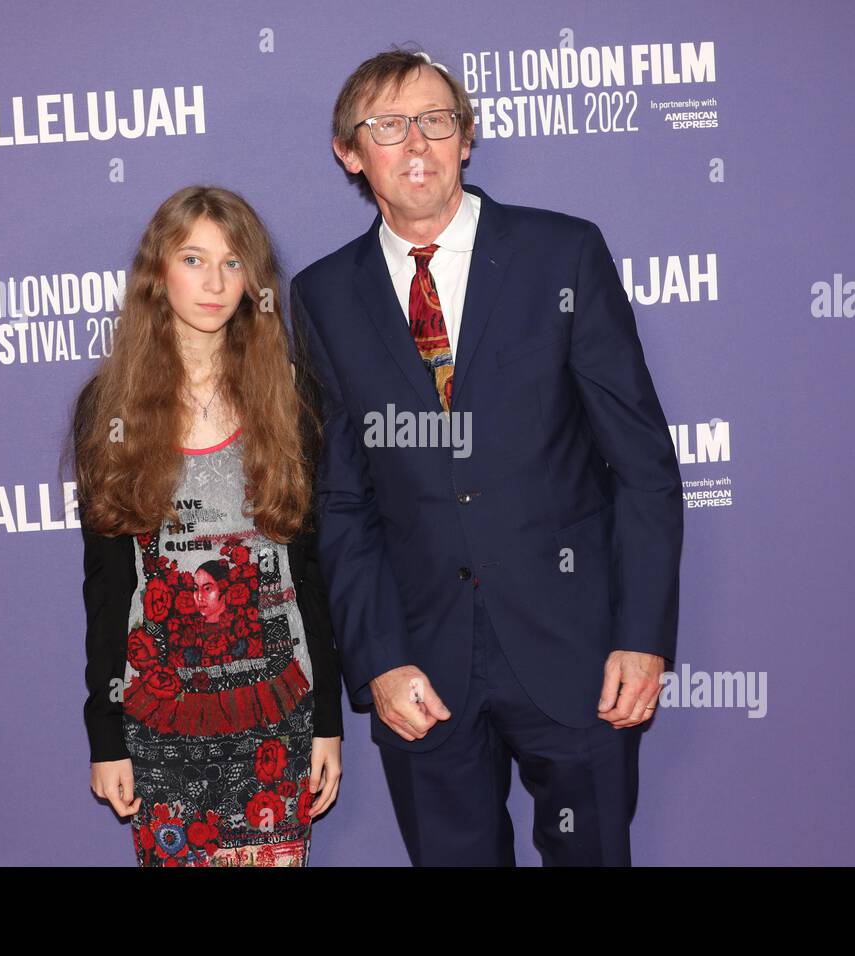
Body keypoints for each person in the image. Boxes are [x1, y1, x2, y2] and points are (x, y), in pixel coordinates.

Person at [289, 49, 684, 866]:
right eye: (388, 128)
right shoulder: (325, 295)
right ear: (350, 153)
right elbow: (344, 501)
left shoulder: (561, 254)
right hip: (423, 673)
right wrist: (379, 660)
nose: (417, 146)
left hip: (578, 657)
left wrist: (641, 638)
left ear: (467, 137)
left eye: (436, 121)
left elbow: (641, 463)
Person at [70, 185, 342, 867]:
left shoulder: (289, 394)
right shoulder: (109, 408)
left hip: (280, 712)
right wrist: (106, 733)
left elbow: (313, 572)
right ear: (158, 273)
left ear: (254, 279)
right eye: (193, 259)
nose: (215, 282)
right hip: (159, 719)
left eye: (231, 262)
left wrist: (328, 723)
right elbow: (106, 586)